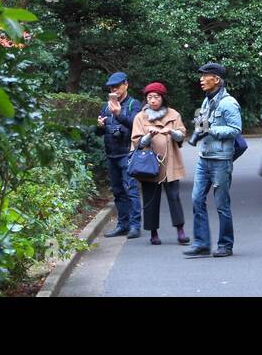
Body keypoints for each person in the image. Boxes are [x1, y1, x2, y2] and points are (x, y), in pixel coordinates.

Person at [183, 62, 243, 258]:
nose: (201, 80)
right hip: (204, 157)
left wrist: (211, 130)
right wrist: (198, 128)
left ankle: (225, 245)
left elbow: (236, 130)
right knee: (196, 199)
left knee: (221, 204)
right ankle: (201, 243)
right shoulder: (206, 101)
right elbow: (203, 122)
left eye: (205, 76)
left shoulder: (229, 103)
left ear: (216, 79)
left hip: (221, 160)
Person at [130, 81, 189, 246]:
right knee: (151, 199)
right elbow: (137, 143)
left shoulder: (173, 115)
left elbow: (182, 136)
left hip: (170, 164)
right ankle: (153, 232)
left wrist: (171, 131)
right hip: (149, 165)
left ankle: (180, 230)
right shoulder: (140, 117)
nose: (153, 100)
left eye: (156, 97)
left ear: (163, 98)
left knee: (174, 197)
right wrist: (149, 135)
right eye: (149, 97)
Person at [97, 71, 143, 239]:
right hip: (111, 154)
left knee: (130, 189)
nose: (114, 89)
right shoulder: (106, 106)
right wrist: (99, 126)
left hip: (128, 153)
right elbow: (98, 132)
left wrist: (118, 114)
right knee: (117, 191)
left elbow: (136, 126)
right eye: (111, 87)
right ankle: (122, 224)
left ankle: (135, 225)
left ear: (126, 85)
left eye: (117, 86)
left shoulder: (134, 104)